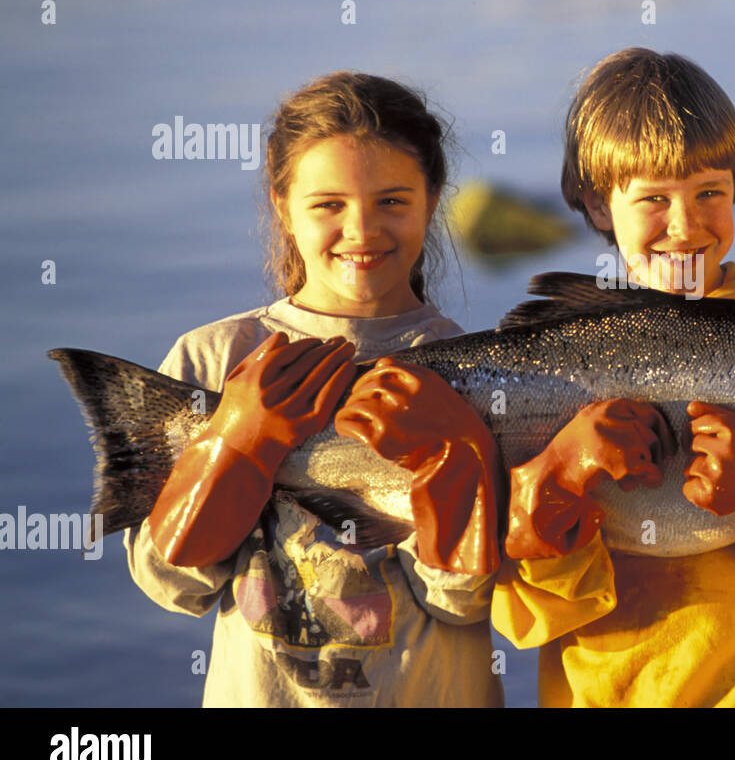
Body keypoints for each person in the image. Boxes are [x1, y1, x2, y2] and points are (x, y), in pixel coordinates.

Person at [490, 47, 735, 707]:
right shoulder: (546, 363)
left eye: (709, 192)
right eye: (653, 199)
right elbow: (532, 613)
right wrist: (553, 481)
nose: (685, 224)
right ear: (596, 202)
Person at [126, 71, 504, 707]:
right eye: (329, 204)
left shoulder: (481, 376)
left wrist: (457, 456)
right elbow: (170, 582)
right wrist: (233, 445)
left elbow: (464, 602)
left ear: (433, 200)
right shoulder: (213, 360)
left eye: (392, 201)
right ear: (282, 204)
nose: (361, 231)